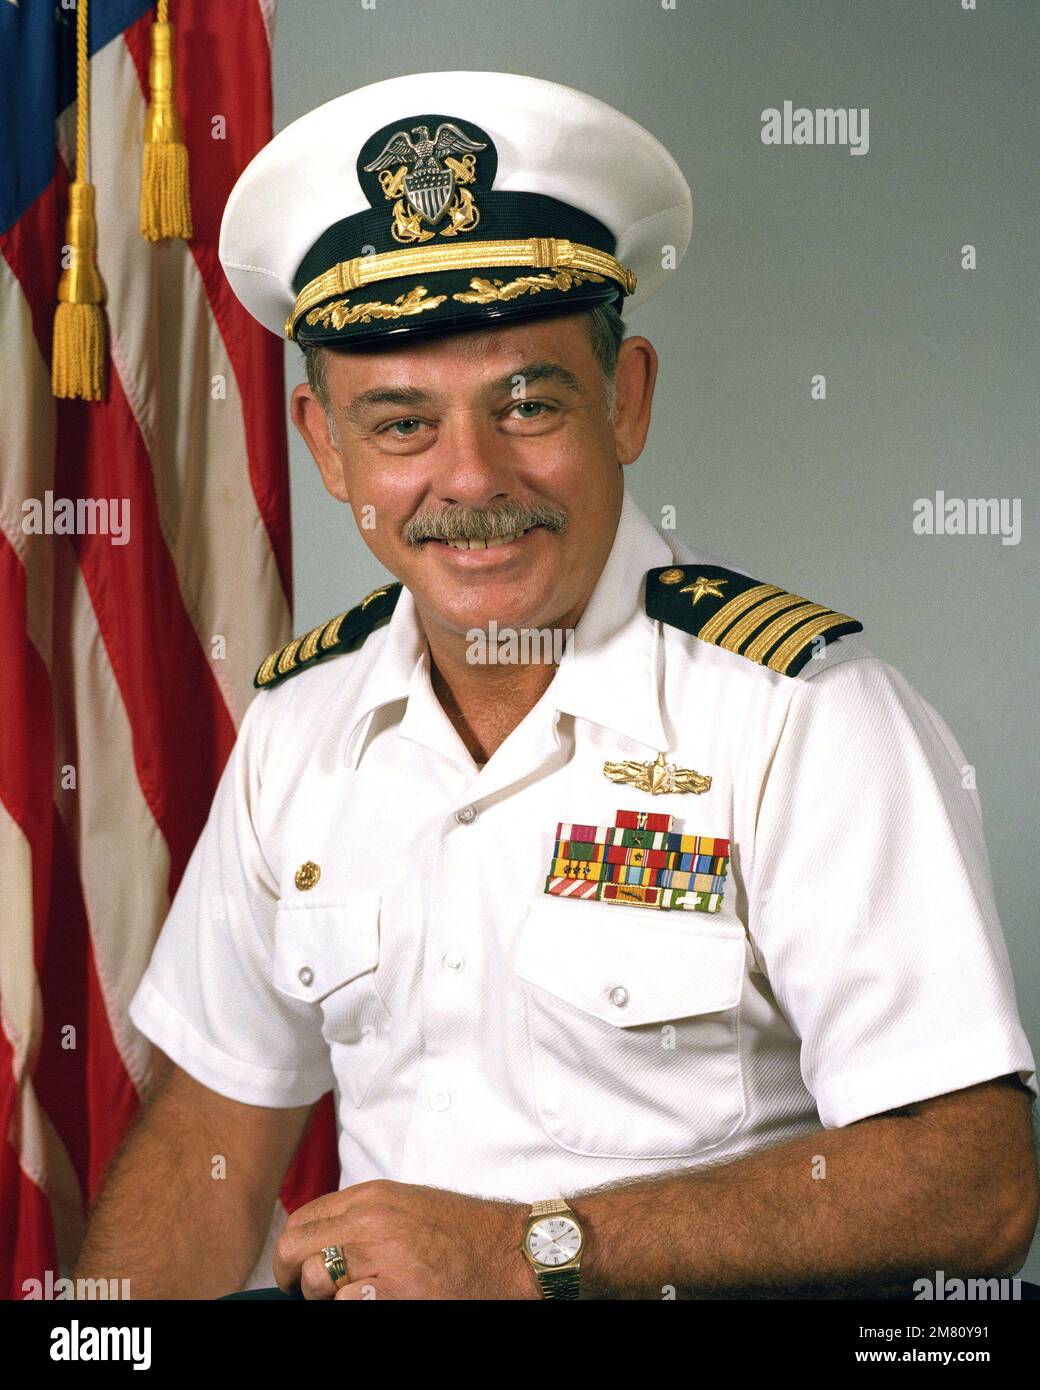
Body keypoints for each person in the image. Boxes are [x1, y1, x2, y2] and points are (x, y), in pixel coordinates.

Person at [75, 71, 1037, 1301]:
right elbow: (214, 1134)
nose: (469, 479)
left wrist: (529, 1250)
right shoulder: (298, 727)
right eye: (400, 425)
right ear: (324, 446)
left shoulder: (800, 713)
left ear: (624, 400)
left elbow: (973, 1182)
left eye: (527, 403)